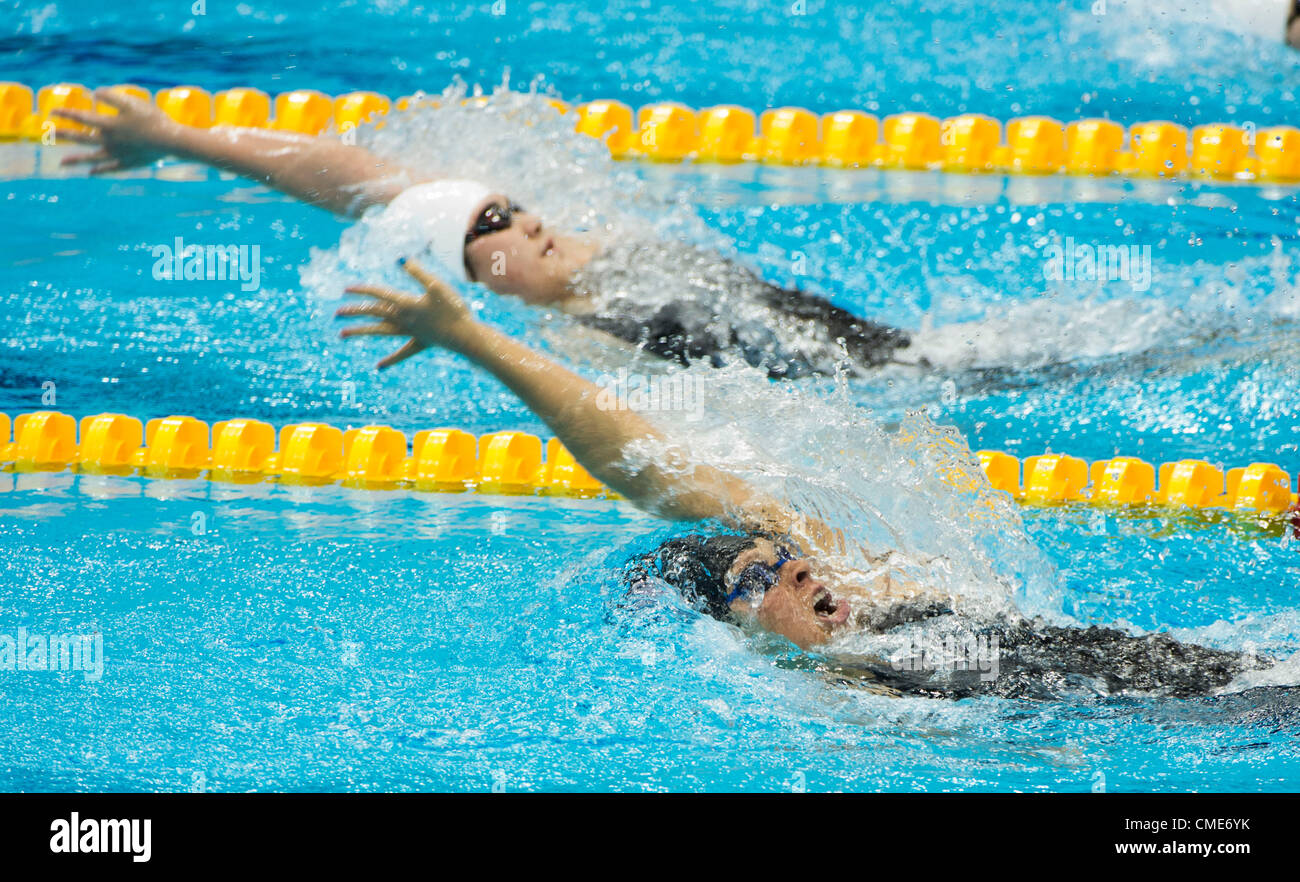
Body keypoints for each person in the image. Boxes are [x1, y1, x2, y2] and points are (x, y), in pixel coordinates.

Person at [334, 257, 1280, 700]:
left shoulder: (864, 594)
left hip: (1181, 674)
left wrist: (473, 339)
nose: (796, 575)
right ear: (725, 626)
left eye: (781, 560)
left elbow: (641, 461)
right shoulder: (802, 696)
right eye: (757, 581)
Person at [52, 89, 914, 379]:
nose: (526, 220)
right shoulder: (581, 338)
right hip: (841, 373)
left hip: (865, 340)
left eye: (510, 205)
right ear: (469, 276)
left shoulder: (583, 246)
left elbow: (327, 167)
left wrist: (174, 137)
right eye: (492, 227)